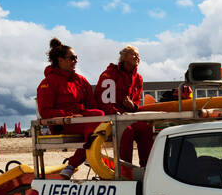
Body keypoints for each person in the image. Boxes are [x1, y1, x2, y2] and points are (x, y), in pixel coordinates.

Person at [36, 39, 105, 178]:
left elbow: (92, 105)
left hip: (84, 121)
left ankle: (73, 164)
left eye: (76, 58)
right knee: (96, 120)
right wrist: (69, 116)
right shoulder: (48, 82)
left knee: (100, 117)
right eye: (72, 58)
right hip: (63, 123)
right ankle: (87, 157)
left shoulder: (81, 80)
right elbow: (45, 112)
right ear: (60, 60)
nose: (75, 61)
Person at [94, 45, 154, 168]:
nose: (137, 56)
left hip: (128, 116)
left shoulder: (139, 78)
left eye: (138, 54)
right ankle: (125, 169)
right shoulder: (109, 74)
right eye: (133, 54)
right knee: (127, 131)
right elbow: (102, 99)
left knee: (146, 128)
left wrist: (133, 106)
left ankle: (147, 168)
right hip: (112, 117)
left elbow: (136, 103)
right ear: (123, 57)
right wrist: (114, 111)